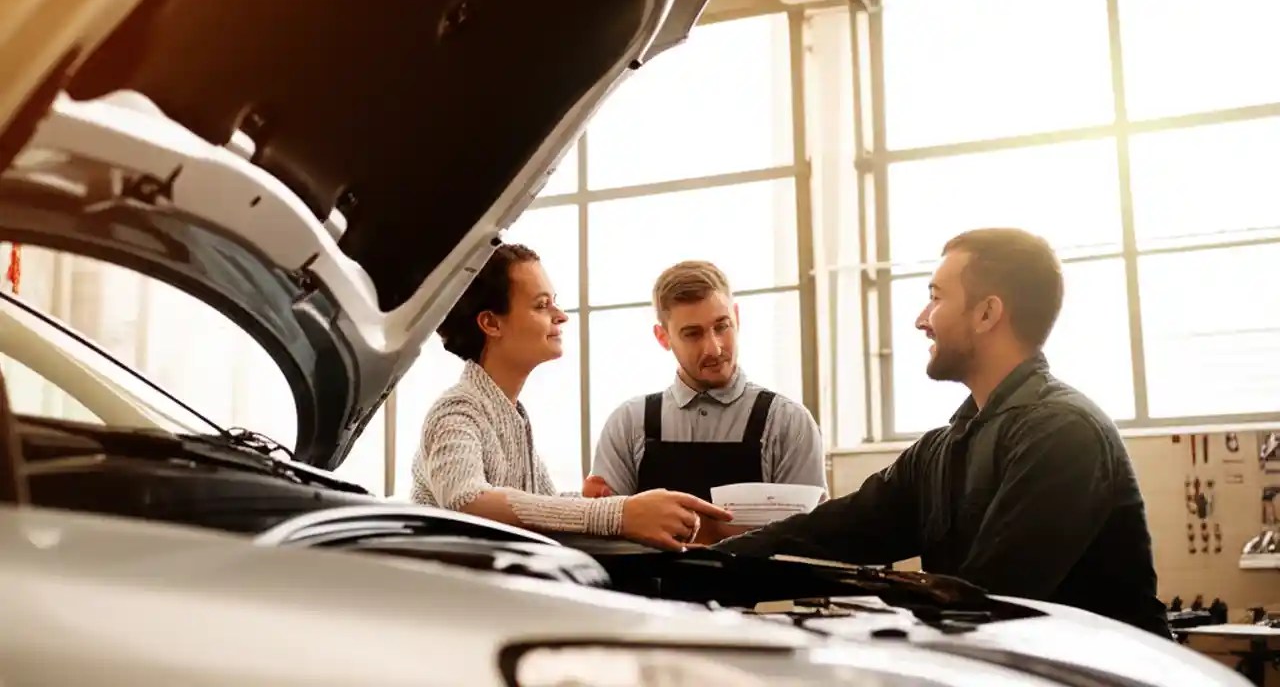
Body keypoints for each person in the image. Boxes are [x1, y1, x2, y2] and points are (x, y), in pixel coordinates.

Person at [713, 228, 1170, 637]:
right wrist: (702, 568)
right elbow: (832, 531)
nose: (921, 318)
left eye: (936, 297)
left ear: (987, 313)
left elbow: (986, 599)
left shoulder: (1064, 433)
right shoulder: (943, 448)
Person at [410, 243, 732, 551]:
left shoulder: (513, 417)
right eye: (541, 305)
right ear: (491, 323)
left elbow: (540, 505)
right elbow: (467, 500)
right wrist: (618, 513)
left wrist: (589, 501)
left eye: (554, 301)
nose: (560, 315)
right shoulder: (455, 412)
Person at [584, 259, 826, 544]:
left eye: (722, 326)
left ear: (736, 317)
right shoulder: (627, 425)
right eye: (693, 334)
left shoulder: (788, 424)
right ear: (663, 337)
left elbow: (809, 545)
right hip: (648, 589)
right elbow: (607, 536)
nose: (714, 347)